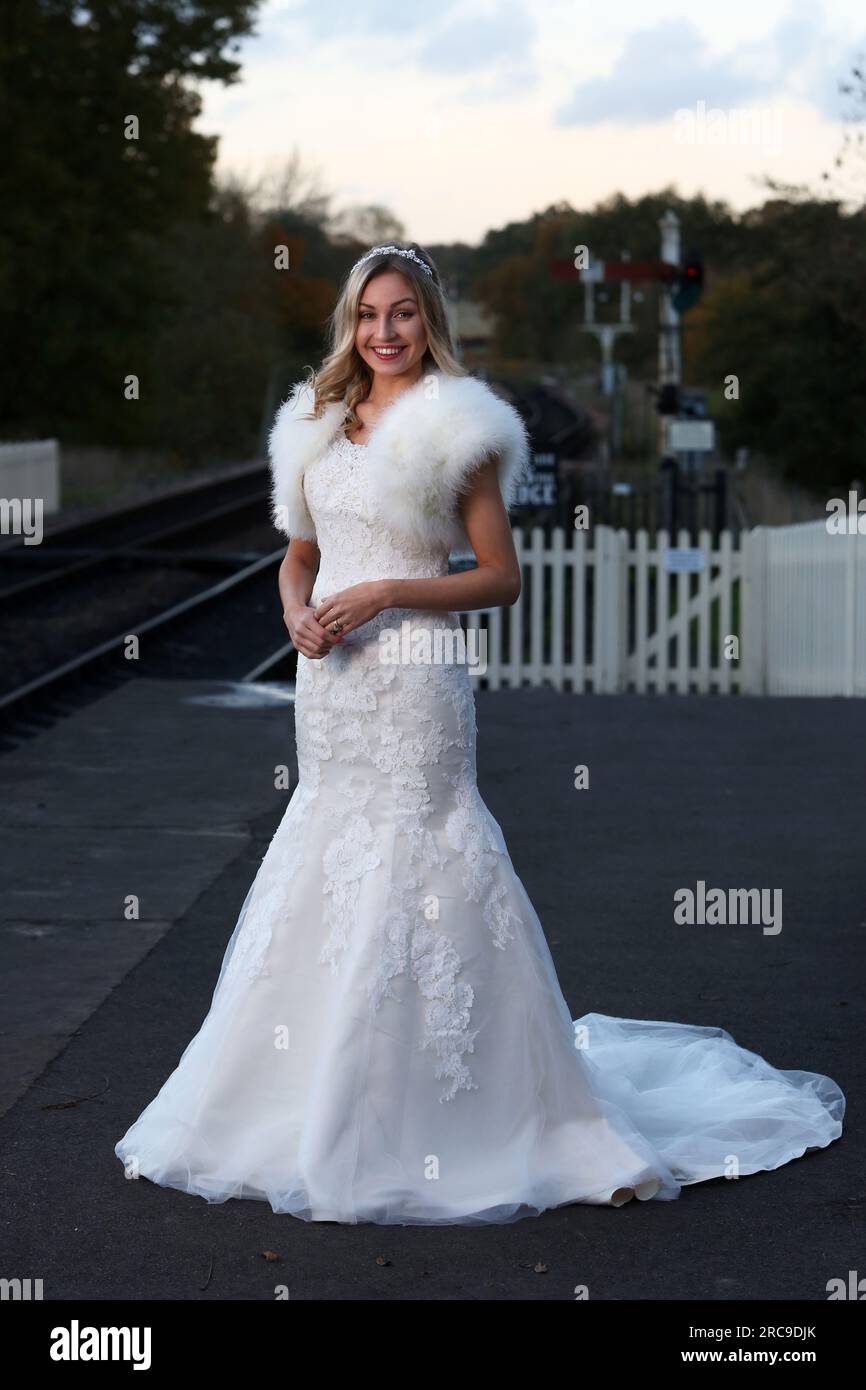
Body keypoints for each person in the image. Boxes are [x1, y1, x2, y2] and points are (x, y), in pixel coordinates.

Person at [115, 242, 845, 1224]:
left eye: (403, 313)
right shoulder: (313, 421)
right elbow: (296, 555)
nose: (384, 331)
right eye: (369, 313)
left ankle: (459, 1109)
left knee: (422, 848)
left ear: (428, 322)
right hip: (329, 679)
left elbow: (500, 576)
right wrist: (295, 608)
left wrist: (382, 589)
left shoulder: (459, 426)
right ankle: (297, 1092)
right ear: (350, 321)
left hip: (415, 673)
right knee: (328, 842)